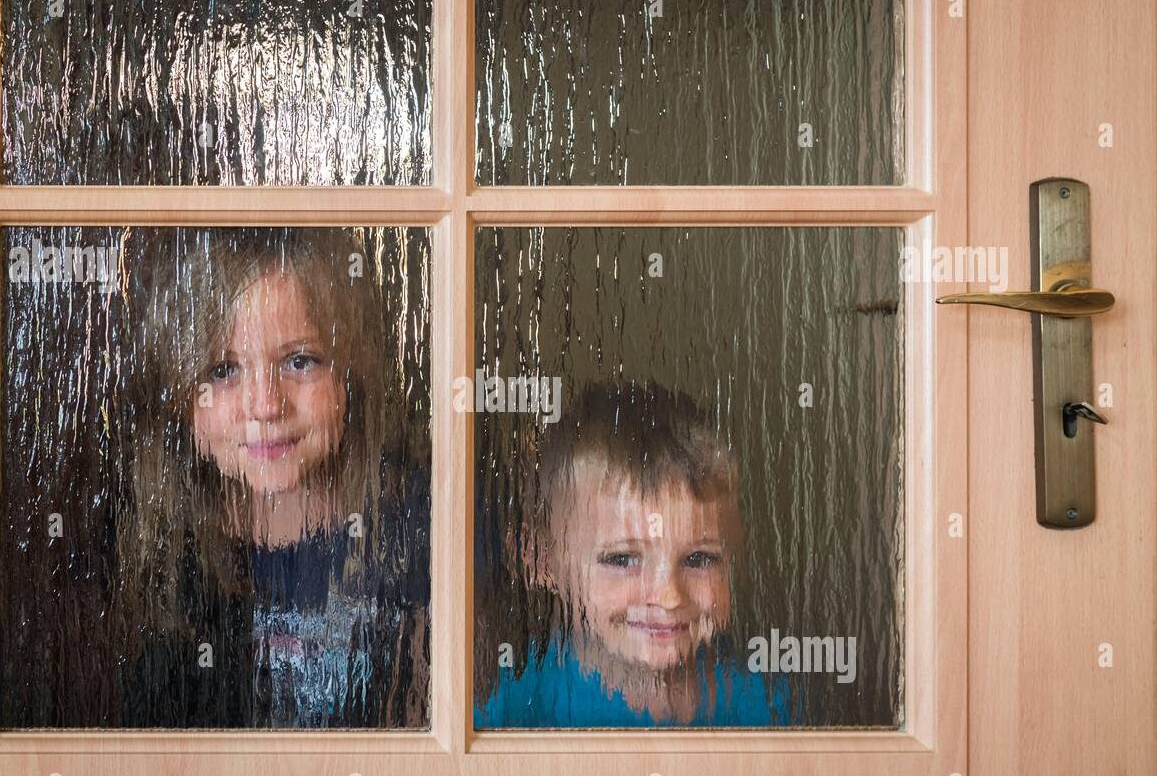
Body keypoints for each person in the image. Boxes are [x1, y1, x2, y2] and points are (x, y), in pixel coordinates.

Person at [114, 227, 430, 729]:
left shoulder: (415, 519)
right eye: (222, 371)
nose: (265, 405)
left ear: (354, 375)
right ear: (177, 394)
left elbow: (428, 743)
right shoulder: (162, 540)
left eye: (300, 361)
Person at [475, 381, 792, 728]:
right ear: (540, 559)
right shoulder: (507, 711)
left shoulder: (769, 702)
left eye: (699, 558)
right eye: (622, 559)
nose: (669, 596)